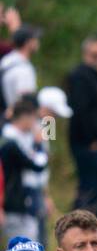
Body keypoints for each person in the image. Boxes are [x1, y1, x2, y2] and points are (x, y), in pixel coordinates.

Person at [65, 37, 97, 209]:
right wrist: (90, 141)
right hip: (88, 145)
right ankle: (77, 226)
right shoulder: (80, 76)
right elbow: (80, 111)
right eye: (95, 55)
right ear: (86, 54)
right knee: (88, 190)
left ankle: (92, 228)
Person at [0, 96, 49, 243]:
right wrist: (39, 145)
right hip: (14, 201)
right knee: (26, 243)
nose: (35, 124)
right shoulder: (11, 143)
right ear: (25, 118)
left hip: (20, 198)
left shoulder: (13, 138)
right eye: (34, 119)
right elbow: (38, 165)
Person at [0, 25, 39, 111]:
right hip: (16, 120)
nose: (37, 42)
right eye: (35, 39)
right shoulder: (22, 68)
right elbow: (26, 102)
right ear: (28, 43)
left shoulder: (6, 61)